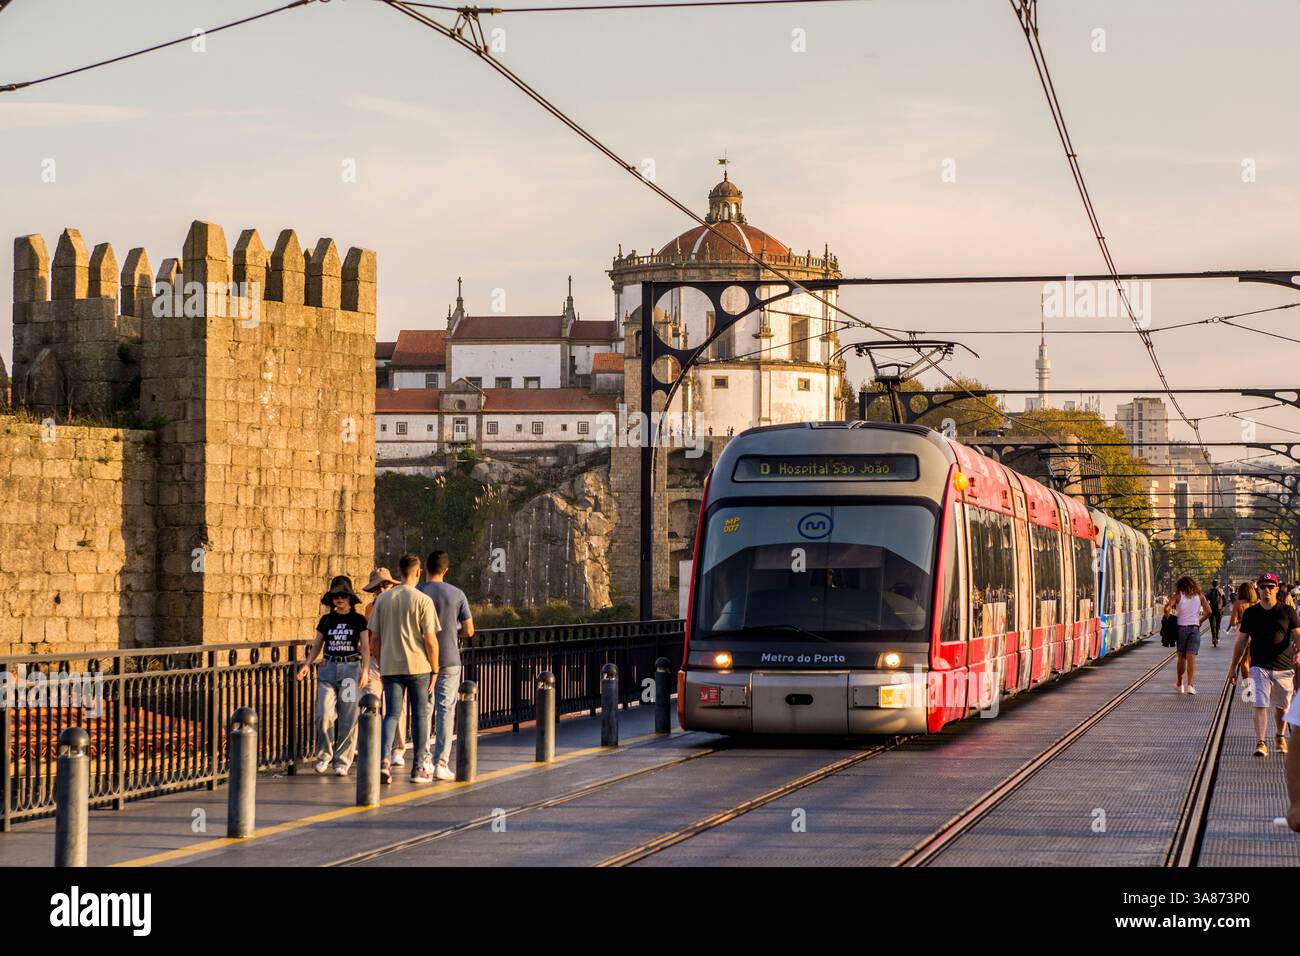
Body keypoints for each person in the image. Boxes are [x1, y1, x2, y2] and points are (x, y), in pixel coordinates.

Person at [367, 554, 440, 785]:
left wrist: (380, 659)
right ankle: (419, 767)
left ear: (399, 572)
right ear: (418, 572)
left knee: (391, 714)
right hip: (418, 666)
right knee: (420, 715)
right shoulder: (423, 600)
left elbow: (374, 639)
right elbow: (430, 640)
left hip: (390, 666)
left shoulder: (382, 600)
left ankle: (384, 762)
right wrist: (435, 669)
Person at [297, 580, 370, 776]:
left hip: (349, 669)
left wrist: (365, 670)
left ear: (350, 599)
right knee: (324, 715)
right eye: (335, 596)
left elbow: (364, 647)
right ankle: (324, 756)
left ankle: (342, 761)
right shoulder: (326, 620)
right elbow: (317, 645)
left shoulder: (359, 620)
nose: (339, 599)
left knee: (348, 717)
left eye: (343, 596)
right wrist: (306, 665)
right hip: (328, 669)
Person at [417, 550, 475, 781]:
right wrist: (452, 628)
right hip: (449, 658)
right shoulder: (457, 594)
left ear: (425, 568)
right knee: (445, 709)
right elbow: (469, 630)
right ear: (446, 570)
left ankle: (422, 762)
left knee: (423, 710)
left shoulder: (417, 592)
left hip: (421, 660)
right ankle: (440, 763)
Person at [1230, 572, 1297, 757]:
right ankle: (1261, 742)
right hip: (1259, 666)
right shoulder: (1251, 613)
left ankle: (1280, 735)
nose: (1266, 590)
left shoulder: (1287, 611)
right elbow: (1241, 642)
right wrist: (1233, 668)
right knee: (1259, 703)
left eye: (1270, 586)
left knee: (1283, 706)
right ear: (1257, 589)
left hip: (1284, 667)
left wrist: (1299, 651)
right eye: (1263, 586)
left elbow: (1298, 635)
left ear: (1276, 588)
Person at [361, 567, 407, 767]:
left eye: (385, 584)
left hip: (394, 658)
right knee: (371, 701)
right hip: (374, 659)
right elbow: (367, 636)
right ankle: (374, 745)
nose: (382, 589)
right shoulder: (369, 609)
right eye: (378, 587)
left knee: (396, 705)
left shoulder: (399, 606)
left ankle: (398, 748)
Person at [1164, 576, 1210, 694]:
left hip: (1181, 629)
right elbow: (1209, 611)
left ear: (1180, 586)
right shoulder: (1200, 596)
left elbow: (1167, 607)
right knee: (1192, 658)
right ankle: (1190, 685)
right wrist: (1200, 620)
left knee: (1181, 657)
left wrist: (1168, 617)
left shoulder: (1178, 596)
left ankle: (1180, 684)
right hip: (1194, 629)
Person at [1228, 580, 1257, 682]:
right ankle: (1256, 684)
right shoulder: (1257, 604)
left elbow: (1232, 622)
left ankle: (1248, 686)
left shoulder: (1238, 604)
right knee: (1254, 661)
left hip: (1242, 633)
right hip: (1255, 633)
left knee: (1244, 661)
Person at [1207, 578, 1224, 648]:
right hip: (1218, 610)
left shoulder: (1208, 591)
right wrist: (1222, 608)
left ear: (1212, 584)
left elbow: (1205, 601)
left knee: (1211, 624)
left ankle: (1213, 637)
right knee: (1218, 624)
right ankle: (1217, 637)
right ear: (1218, 585)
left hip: (1211, 610)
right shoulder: (1221, 591)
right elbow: (1225, 602)